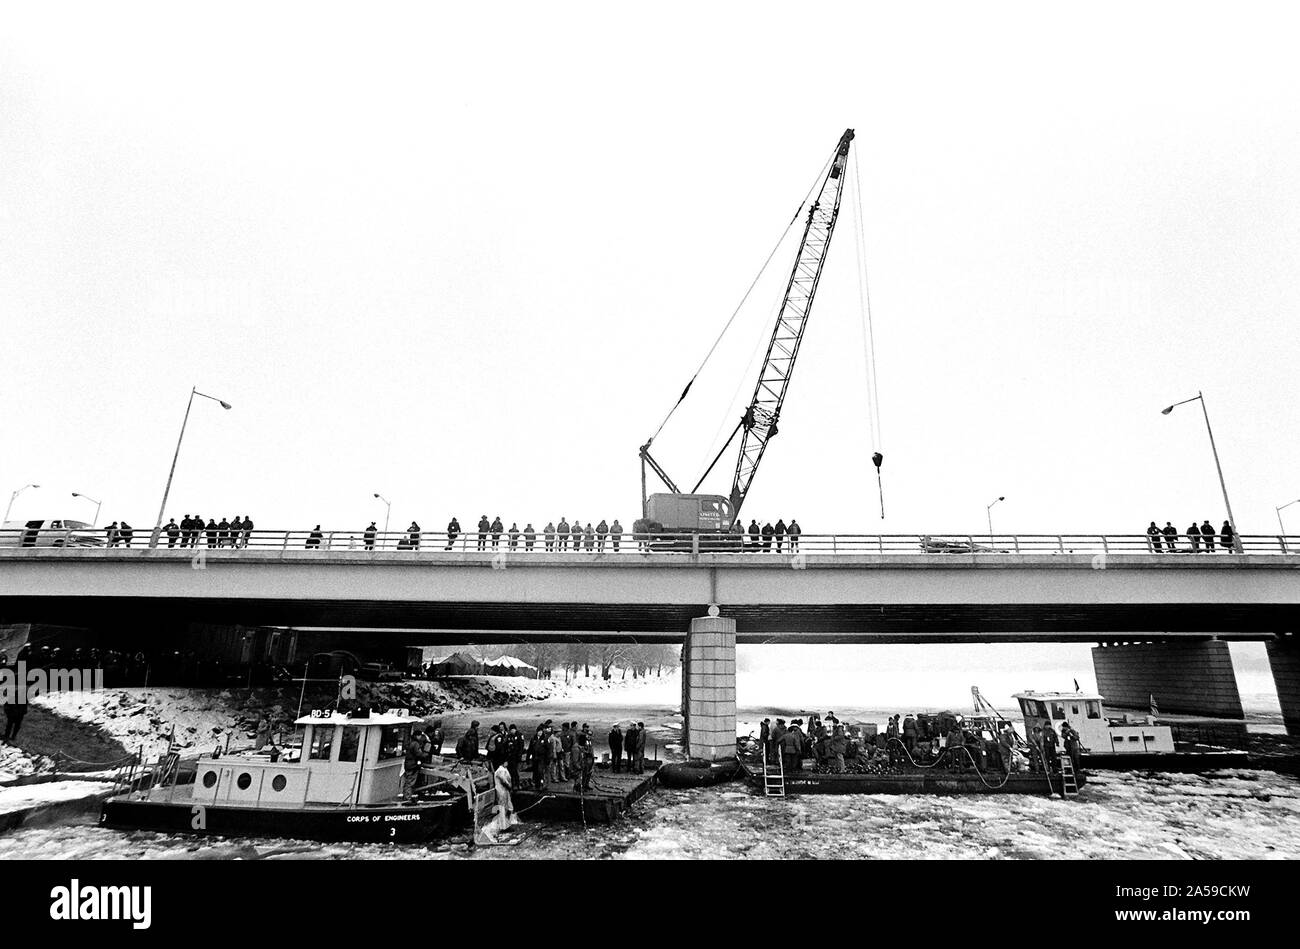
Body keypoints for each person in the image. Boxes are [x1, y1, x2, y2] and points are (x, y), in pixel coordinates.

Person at [575, 724, 595, 792]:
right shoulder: (583, 741)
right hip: (585, 759)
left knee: (589, 773)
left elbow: (591, 750)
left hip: (590, 759)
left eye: (590, 736)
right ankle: (582, 786)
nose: (589, 737)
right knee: (584, 773)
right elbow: (582, 750)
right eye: (588, 735)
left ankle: (586, 784)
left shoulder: (590, 742)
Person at [530, 725, 549, 790]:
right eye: (539, 732)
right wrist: (528, 757)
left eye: (541, 732)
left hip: (542, 758)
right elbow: (530, 748)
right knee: (535, 771)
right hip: (535, 757)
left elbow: (548, 749)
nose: (540, 733)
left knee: (540, 771)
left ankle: (542, 784)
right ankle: (536, 784)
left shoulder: (545, 739)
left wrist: (547, 759)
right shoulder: (533, 739)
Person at [506, 724, 524, 789]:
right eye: (510, 730)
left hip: (516, 756)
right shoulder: (509, 736)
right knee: (510, 770)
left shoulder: (519, 735)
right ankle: (512, 784)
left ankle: (517, 784)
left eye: (512, 730)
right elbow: (506, 745)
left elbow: (521, 746)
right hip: (510, 756)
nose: (511, 731)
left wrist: (519, 755)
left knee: (515, 771)